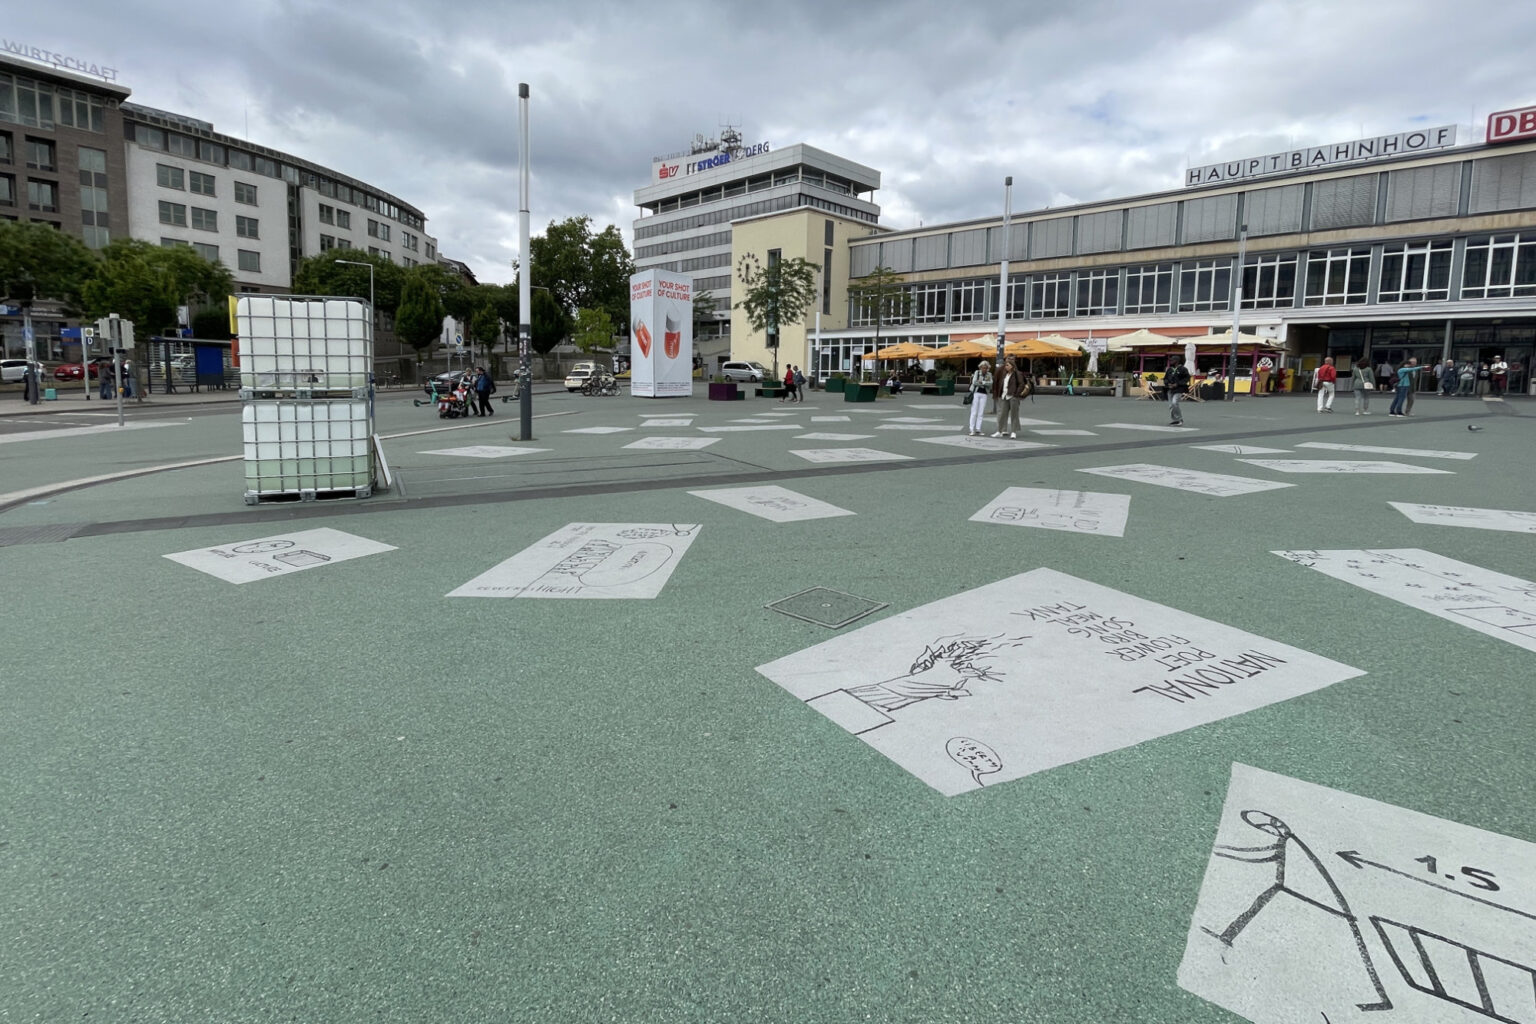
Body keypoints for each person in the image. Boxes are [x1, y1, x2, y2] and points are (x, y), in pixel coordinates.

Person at [992, 356, 1024, 438]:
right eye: (1006, 365)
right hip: (1004, 396)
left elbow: (1021, 384)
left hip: (1013, 396)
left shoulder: (1017, 374)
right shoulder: (1005, 374)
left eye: (1007, 365)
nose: (1005, 366)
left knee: (1014, 414)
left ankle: (1013, 432)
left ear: (1012, 366)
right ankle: (999, 431)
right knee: (1002, 414)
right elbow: (998, 382)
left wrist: (1016, 394)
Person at [966, 360, 993, 436]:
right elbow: (974, 382)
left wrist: (983, 383)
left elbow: (991, 383)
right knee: (974, 412)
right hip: (976, 393)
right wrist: (984, 384)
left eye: (985, 368)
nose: (984, 369)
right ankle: (972, 429)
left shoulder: (989, 374)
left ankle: (978, 429)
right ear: (980, 367)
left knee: (981, 412)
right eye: (982, 367)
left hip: (984, 394)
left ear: (988, 368)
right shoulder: (977, 372)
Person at [1164, 355, 1191, 426]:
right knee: (1171, 405)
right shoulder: (1169, 369)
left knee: (1174, 403)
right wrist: (1168, 383)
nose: (1171, 361)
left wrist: (1177, 384)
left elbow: (1187, 379)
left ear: (1177, 361)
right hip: (1170, 389)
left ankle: (1180, 419)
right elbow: (1165, 378)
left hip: (1179, 389)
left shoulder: (1183, 369)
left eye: (1172, 360)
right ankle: (1175, 420)